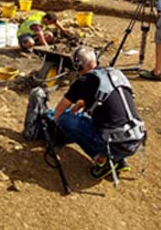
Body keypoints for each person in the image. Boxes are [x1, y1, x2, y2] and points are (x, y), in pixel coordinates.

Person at [52, 46, 145, 179]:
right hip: (135, 139)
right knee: (103, 120)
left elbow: (60, 111)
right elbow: (111, 100)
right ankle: (119, 159)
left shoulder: (83, 81)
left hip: (115, 144)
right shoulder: (115, 73)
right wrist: (83, 103)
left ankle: (104, 160)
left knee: (65, 120)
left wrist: (55, 125)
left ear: (77, 65)